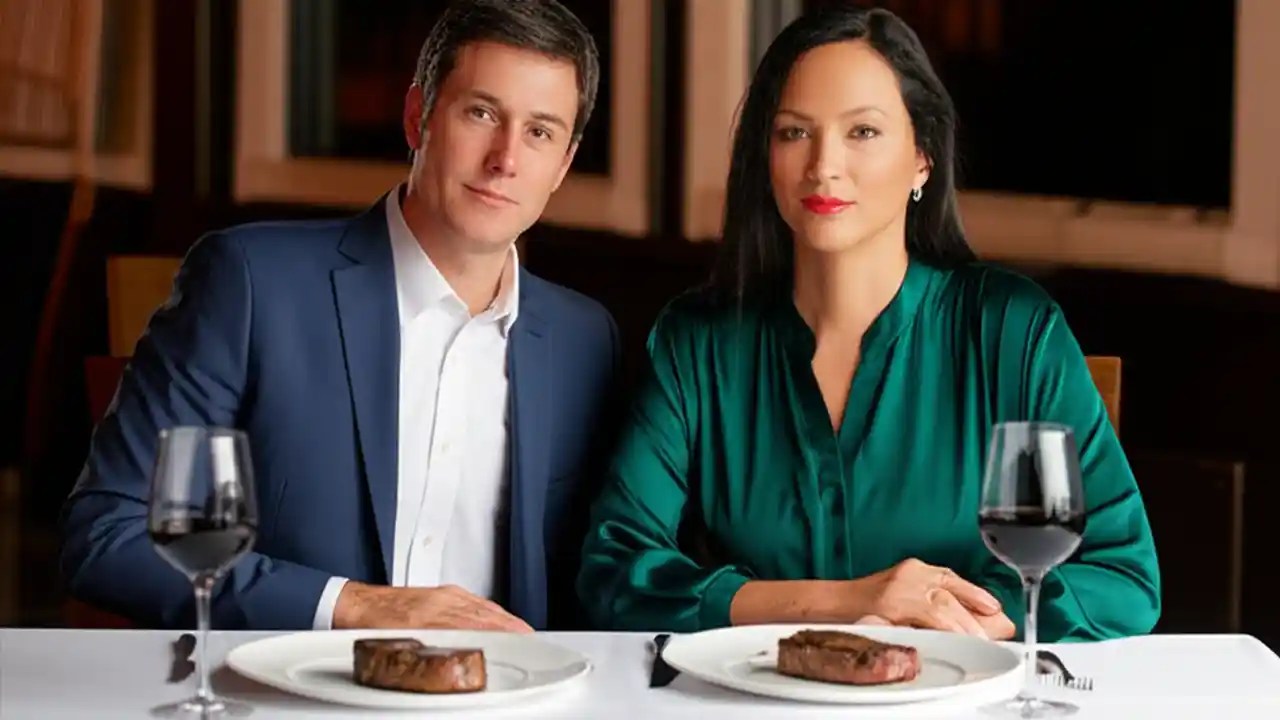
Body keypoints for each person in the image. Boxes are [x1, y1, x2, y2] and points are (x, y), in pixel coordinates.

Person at [577, 6, 1159, 642]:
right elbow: (616, 572)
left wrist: (961, 620)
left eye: (863, 132)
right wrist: (844, 603)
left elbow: (1123, 576)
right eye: (794, 133)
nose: (823, 165)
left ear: (922, 160)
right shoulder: (699, 342)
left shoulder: (1012, 332)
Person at [61, 0, 619, 632]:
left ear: (563, 164)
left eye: (540, 131)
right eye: (482, 113)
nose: (506, 158)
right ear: (418, 117)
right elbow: (107, 535)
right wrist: (354, 605)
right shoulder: (250, 282)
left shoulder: (583, 341)